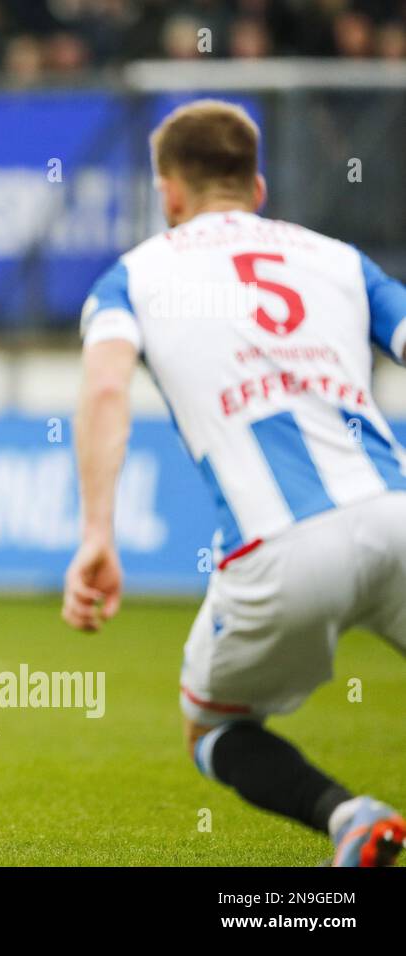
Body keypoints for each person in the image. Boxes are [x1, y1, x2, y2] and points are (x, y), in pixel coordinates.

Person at [62, 99, 406, 866]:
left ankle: (351, 818)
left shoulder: (132, 277)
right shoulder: (341, 260)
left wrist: (96, 533)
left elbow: (106, 390)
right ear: (258, 188)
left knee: (212, 728)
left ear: (169, 195)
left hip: (280, 549)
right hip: (396, 515)